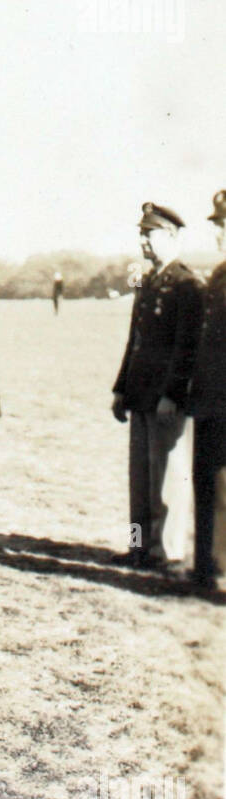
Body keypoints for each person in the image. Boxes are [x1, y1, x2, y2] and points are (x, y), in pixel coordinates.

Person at [111, 202, 203, 569]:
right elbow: (134, 340)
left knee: (167, 480)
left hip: (165, 399)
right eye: (142, 235)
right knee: (139, 481)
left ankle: (167, 552)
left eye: (149, 235)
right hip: (139, 395)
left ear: (171, 236)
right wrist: (120, 388)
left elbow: (188, 347)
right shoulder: (148, 281)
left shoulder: (186, 284)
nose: (143, 243)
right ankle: (138, 545)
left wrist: (173, 394)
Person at [188, 189, 226, 592]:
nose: (218, 232)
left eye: (222, 225)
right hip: (211, 400)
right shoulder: (218, 275)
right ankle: (207, 567)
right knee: (209, 484)